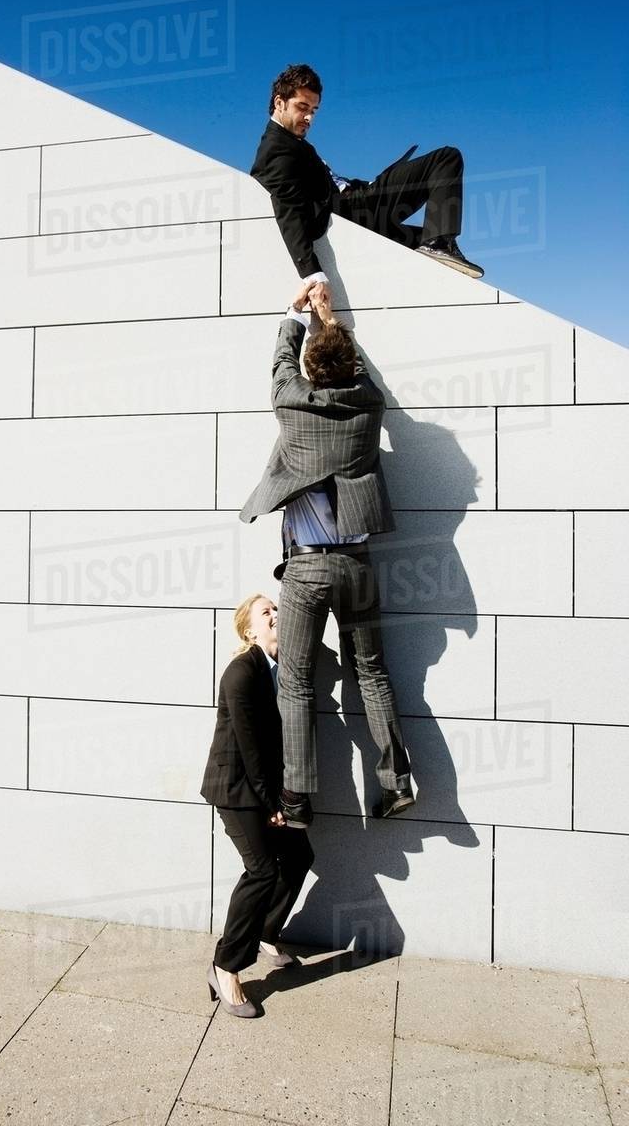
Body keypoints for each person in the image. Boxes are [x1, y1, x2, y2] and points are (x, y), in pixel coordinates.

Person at [240, 293, 414, 830]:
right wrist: (332, 322)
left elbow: (279, 367)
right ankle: (396, 783)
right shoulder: (368, 405)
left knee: (295, 680)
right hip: (358, 564)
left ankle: (296, 801)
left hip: (309, 568)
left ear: (312, 371)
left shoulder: (294, 406)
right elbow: (359, 374)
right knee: (373, 672)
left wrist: (297, 317)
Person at [250, 62, 484, 315]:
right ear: (279, 102)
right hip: (356, 209)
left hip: (359, 202)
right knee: (445, 159)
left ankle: (435, 254)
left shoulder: (291, 143)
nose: (309, 117)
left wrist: (363, 184)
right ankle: (439, 242)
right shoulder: (275, 149)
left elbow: (327, 185)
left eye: (314, 110)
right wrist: (312, 274)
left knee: (420, 241)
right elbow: (288, 209)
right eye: (302, 107)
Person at [200, 593, 314, 1018]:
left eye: (277, 609)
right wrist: (273, 805)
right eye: (266, 611)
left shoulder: (277, 670)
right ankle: (225, 965)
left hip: (261, 788)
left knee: (299, 855)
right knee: (263, 870)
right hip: (235, 789)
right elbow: (250, 749)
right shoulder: (242, 671)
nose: (276, 614)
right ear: (249, 630)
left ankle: (267, 931)